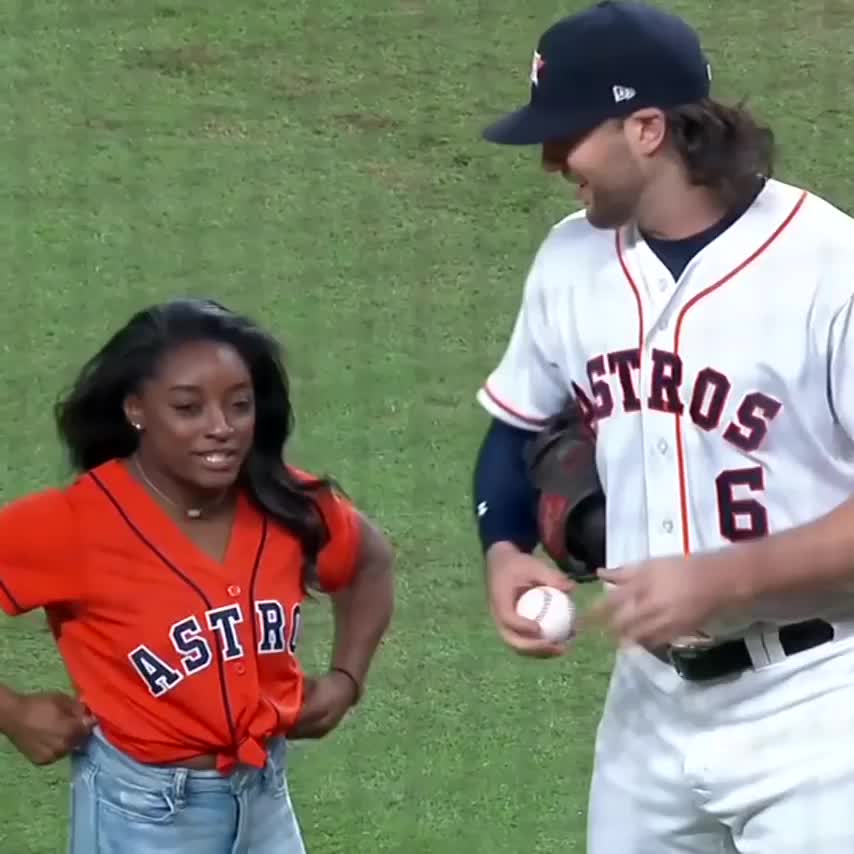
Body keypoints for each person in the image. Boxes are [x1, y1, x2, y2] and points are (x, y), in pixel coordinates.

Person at [473, 2, 854, 852]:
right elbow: (513, 432)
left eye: (564, 134)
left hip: (823, 706)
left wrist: (724, 579)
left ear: (646, 128)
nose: (547, 161)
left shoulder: (832, 270)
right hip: (648, 714)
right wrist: (504, 550)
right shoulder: (571, 261)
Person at [0, 297, 395, 853]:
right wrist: (12, 712)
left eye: (239, 405)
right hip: (142, 815)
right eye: (188, 408)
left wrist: (346, 679)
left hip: (263, 797)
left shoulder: (281, 499)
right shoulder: (75, 525)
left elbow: (371, 561)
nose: (221, 428)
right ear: (136, 411)